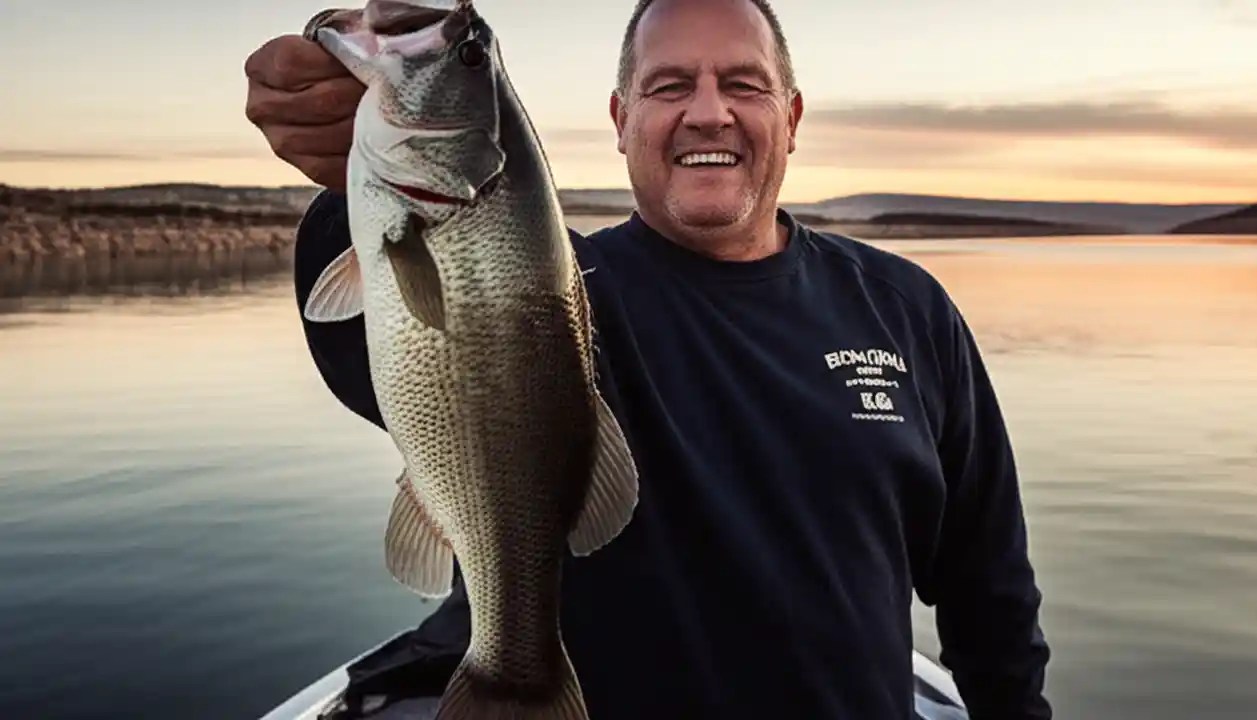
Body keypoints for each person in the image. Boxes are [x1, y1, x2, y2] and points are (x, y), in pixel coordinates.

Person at [244, 0, 1052, 718]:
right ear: (620, 119)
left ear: (793, 116)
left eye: (743, 83)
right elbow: (391, 340)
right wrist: (343, 184)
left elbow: (990, 590)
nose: (709, 113)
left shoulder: (907, 309)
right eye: (670, 87)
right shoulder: (557, 291)